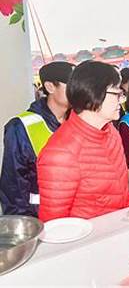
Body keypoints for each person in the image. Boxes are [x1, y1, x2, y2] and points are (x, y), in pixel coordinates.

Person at [37, 61, 129, 221]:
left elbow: (121, 192)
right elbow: (54, 223)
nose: (121, 100)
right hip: (88, 240)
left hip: (119, 230)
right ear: (93, 93)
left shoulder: (110, 131)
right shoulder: (60, 154)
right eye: (116, 94)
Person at [0, 62, 74, 217]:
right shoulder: (21, 127)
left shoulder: (80, 121)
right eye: (72, 84)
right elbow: (14, 187)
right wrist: (25, 229)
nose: (78, 91)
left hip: (77, 217)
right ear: (50, 87)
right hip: (40, 220)